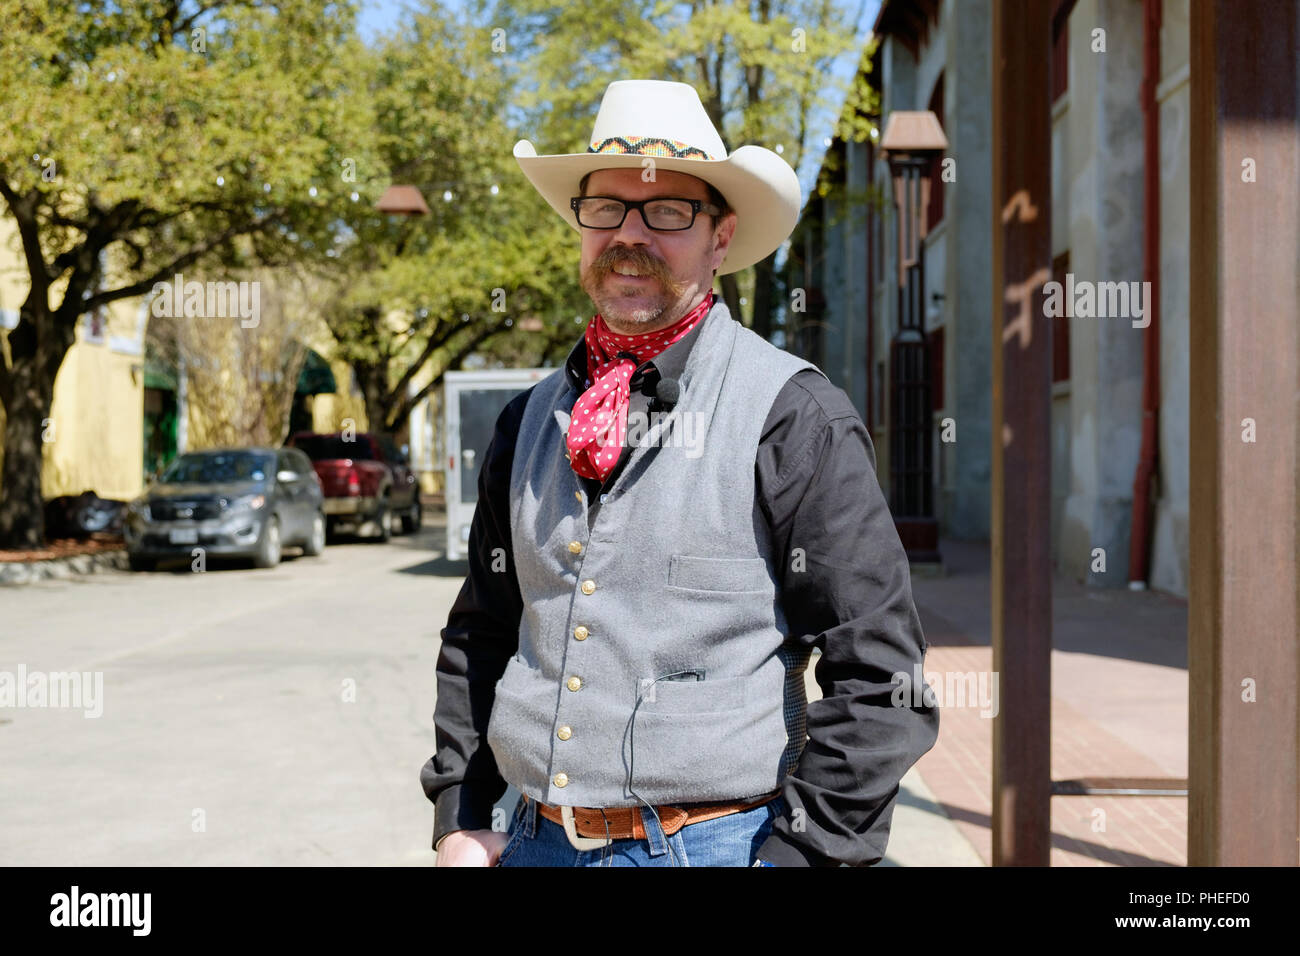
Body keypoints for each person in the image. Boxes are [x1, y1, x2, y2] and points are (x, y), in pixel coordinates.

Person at [420, 79, 938, 867]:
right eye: (606, 209)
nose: (630, 235)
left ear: (720, 238)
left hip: (718, 848)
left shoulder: (794, 417)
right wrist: (458, 813)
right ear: (579, 223)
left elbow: (881, 678)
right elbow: (482, 632)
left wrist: (803, 857)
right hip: (530, 842)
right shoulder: (526, 422)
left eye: (666, 211)